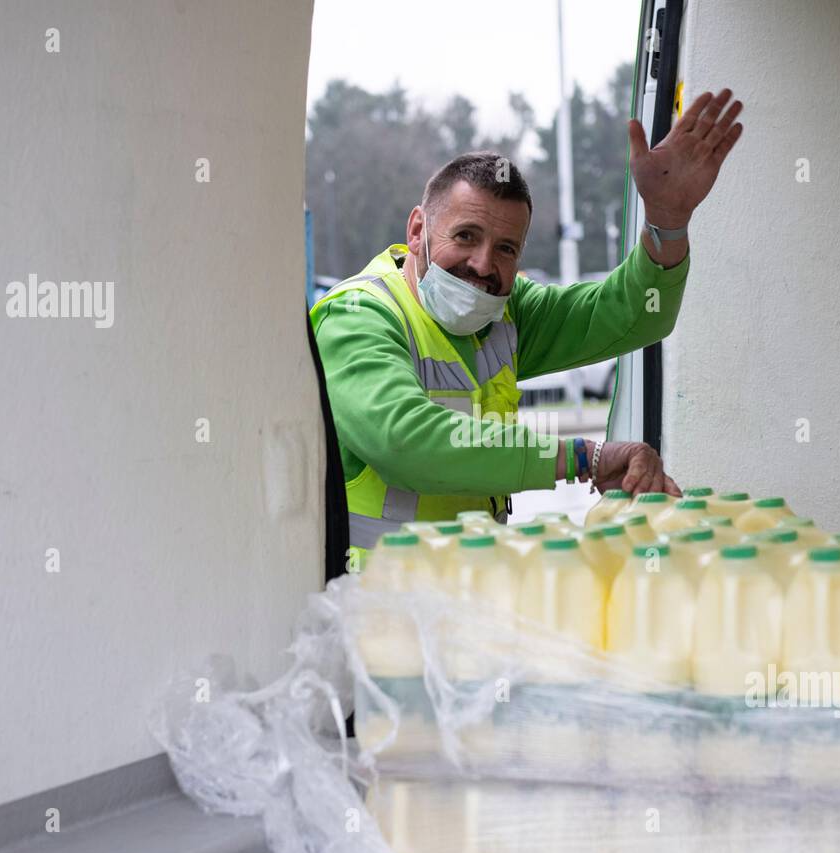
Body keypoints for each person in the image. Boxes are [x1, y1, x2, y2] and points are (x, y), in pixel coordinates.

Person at [309, 89, 744, 558]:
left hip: (472, 600)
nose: (482, 264)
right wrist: (583, 457)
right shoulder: (358, 316)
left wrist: (668, 219)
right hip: (376, 610)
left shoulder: (507, 311)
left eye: (506, 249)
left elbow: (637, 314)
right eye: (466, 236)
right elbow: (403, 440)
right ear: (418, 231)